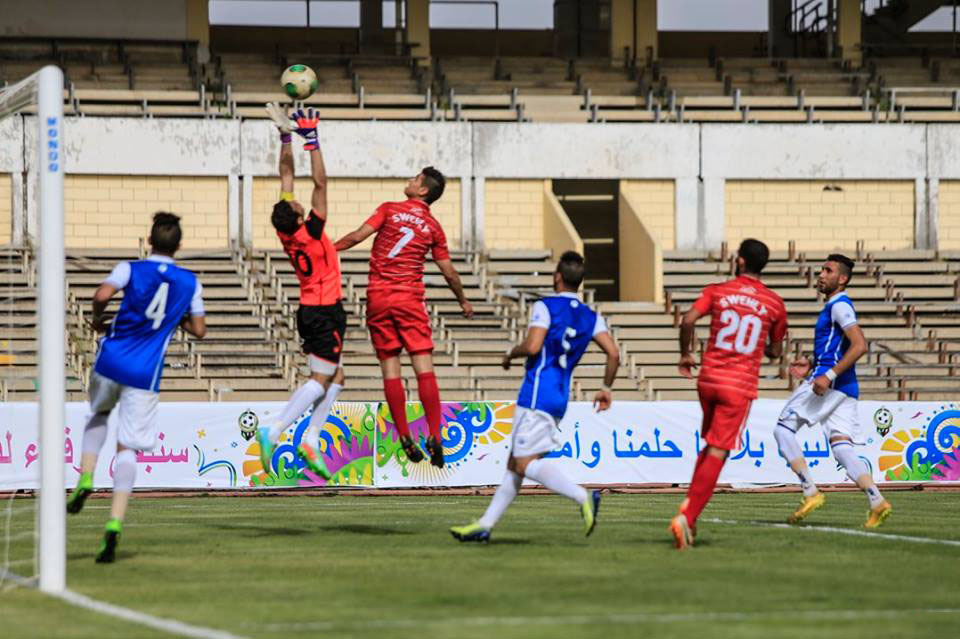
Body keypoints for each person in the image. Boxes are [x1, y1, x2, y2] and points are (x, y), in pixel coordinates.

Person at [65, 212, 206, 563]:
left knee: (98, 413)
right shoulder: (190, 283)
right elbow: (200, 330)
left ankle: (85, 476)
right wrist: (176, 318)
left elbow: (101, 294)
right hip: (145, 373)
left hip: (111, 359)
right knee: (128, 446)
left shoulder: (130, 268)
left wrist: (98, 319)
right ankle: (113, 524)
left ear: (149, 240)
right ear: (180, 247)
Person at [450, 251, 619, 542]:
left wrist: (509, 354)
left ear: (557, 277)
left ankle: (584, 498)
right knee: (515, 464)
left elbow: (532, 346)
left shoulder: (545, 306)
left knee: (524, 463)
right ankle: (485, 525)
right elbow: (614, 353)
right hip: (559, 397)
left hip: (537, 393)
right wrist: (606, 387)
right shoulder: (591, 316)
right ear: (579, 282)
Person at [335, 168, 472, 468]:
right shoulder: (433, 227)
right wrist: (463, 300)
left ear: (423, 190)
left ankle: (405, 436)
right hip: (409, 299)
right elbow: (448, 271)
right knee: (424, 368)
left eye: (415, 179)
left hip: (379, 299)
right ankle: (436, 434)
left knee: (390, 370)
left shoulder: (388, 209)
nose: (409, 181)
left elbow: (358, 236)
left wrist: (328, 250)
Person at [670, 238, 788, 550]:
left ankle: (688, 512)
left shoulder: (717, 291)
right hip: (738, 385)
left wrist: (685, 354)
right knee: (720, 451)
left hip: (708, 378)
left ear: (739, 262)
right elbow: (775, 352)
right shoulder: (774, 304)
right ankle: (687, 516)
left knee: (710, 445)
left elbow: (688, 320)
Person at [257, 106, 345, 480]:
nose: (295, 200)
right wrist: (313, 140)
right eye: (295, 204)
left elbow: (286, 174)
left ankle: (310, 438)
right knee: (323, 379)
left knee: (337, 376)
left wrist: (284, 137)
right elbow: (321, 184)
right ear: (298, 217)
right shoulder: (309, 230)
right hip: (324, 310)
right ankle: (275, 430)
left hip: (311, 309)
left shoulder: (286, 229)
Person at [774, 254, 891, 528]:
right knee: (841, 447)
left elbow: (859, 345)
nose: (821, 274)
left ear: (842, 279)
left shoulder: (839, 305)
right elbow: (837, 347)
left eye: (828, 270)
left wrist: (826, 373)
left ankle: (810, 492)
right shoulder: (836, 305)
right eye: (821, 270)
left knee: (782, 430)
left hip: (831, 383)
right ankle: (876, 500)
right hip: (846, 386)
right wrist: (812, 362)